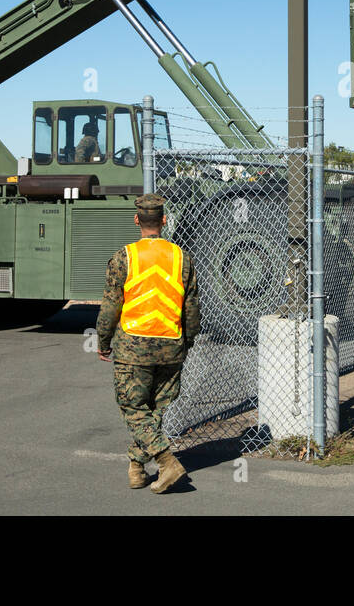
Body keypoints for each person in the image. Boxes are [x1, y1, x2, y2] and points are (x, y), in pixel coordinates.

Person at [97, 193, 201, 493]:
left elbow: (109, 308)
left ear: (136, 220)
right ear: (165, 221)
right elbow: (191, 308)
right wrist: (188, 341)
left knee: (133, 407)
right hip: (171, 345)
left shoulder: (124, 258)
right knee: (154, 409)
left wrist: (103, 342)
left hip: (133, 348)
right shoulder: (182, 258)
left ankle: (167, 462)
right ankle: (136, 467)